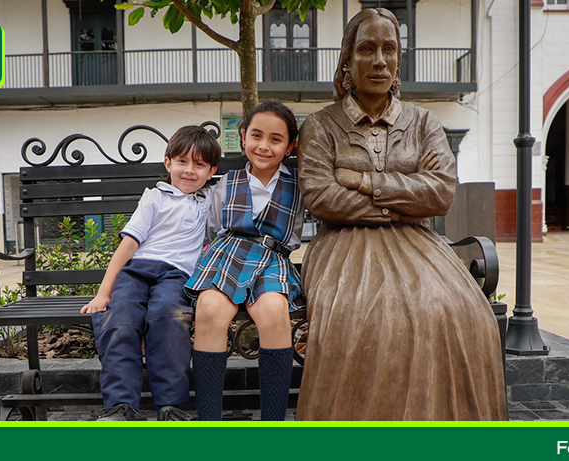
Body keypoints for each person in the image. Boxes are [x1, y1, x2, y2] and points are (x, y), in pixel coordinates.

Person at [296, 8, 507, 420]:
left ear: (398, 60)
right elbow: (321, 197)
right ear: (347, 59)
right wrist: (402, 204)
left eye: (388, 49)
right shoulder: (320, 126)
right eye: (367, 49)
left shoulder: (424, 122)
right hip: (343, 244)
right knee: (356, 312)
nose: (378, 60)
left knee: (455, 308)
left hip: (420, 244)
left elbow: (441, 194)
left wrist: (364, 182)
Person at [80, 125, 221, 421]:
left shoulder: (208, 202)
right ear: (167, 163)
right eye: (182, 161)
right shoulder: (154, 197)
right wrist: (104, 292)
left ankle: (170, 407)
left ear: (211, 172)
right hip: (135, 273)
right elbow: (129, 244)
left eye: (200, 164)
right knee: (119, 319)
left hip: (176, 277)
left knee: (169, 318)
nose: (189, 171)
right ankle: (120, 408)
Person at [185, 100, 304, 421]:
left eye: (276, 139)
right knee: (209, 308)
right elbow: (210, 230)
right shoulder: (226, 183)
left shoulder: (301, 185)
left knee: (275, 312)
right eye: (256, 136)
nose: (264, 146)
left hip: (272, 258)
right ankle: (209, 419)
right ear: (243, 138)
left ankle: (273, 421)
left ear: (290, 146)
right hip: (228, 255)